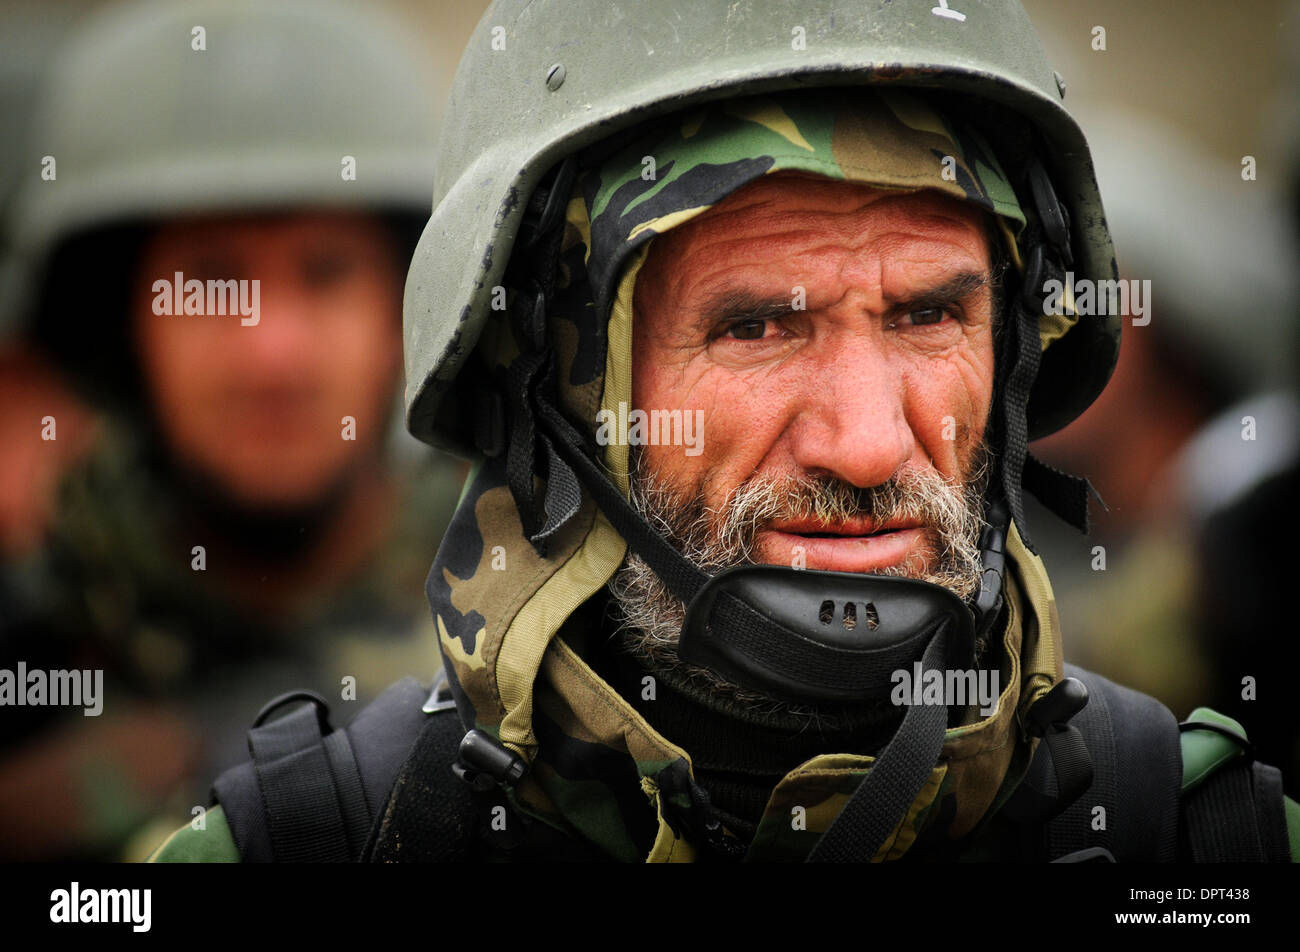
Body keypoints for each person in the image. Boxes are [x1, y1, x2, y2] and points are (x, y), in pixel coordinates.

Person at [153, 0, 1297, 863]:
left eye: (932, 314)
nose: (864, 443)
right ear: (553, 386)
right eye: (754, 327)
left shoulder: (1208, 844)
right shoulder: (314, 842)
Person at [0, 0, 464, 860]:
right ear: (122, 329)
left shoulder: (522, 641)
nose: (271, 353)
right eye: (211, 280)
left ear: (407, 312)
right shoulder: (30, 667)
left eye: (325, 274)